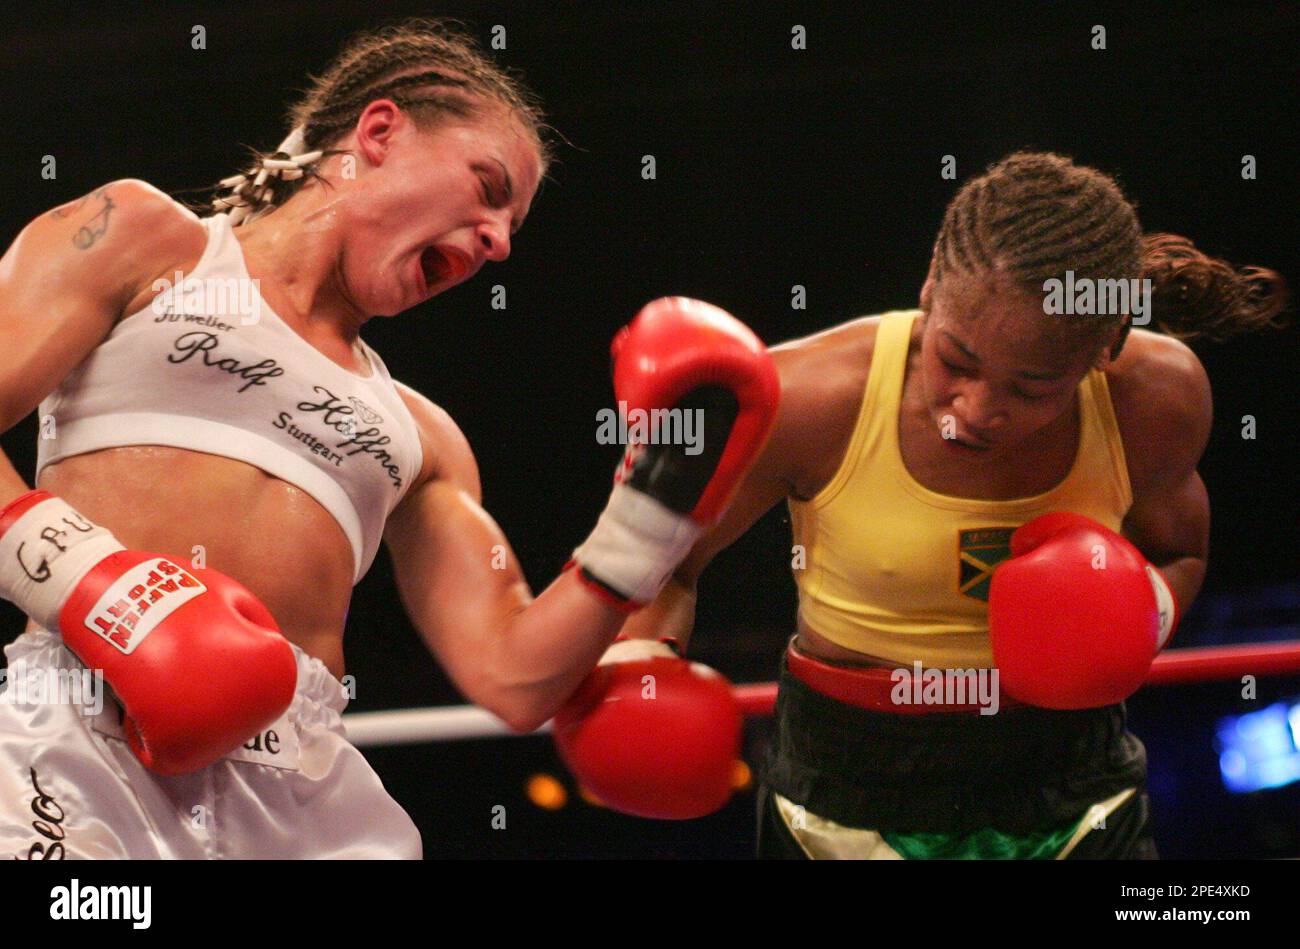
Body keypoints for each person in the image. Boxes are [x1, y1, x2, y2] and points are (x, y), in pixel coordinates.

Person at [0, 18, 778, 859]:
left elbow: (514, 676)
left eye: (511, 225)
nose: (499, 241)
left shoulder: (422, 435)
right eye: (487, 187)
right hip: (77, 732)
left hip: (296, 789)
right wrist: (101, 591)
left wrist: (652, 513)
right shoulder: (146, 239)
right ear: (378, 132)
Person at [563, 151, 1288, 858]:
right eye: (956, 361)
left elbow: (1180, 549)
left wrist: (1142, 610)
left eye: (1030, 388)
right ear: (931, 286)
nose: (976, 409)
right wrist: (638, 666)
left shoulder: (1155, 397)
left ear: (1108, 343)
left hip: (1072, 783)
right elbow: (665, 563)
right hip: (845, 792)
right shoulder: (812, 399)